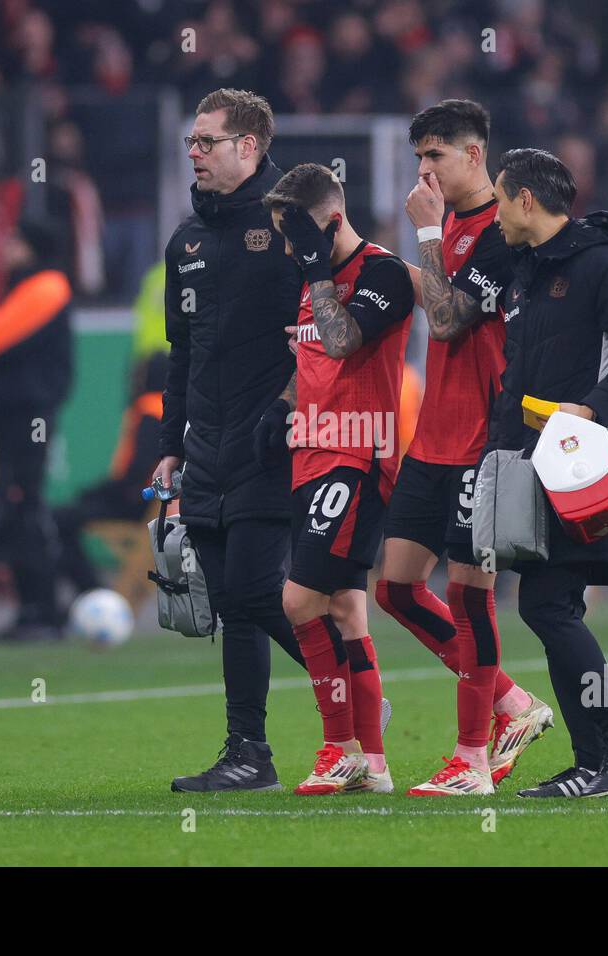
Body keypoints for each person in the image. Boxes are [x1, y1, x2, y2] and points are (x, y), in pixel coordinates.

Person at [488, 148, 608, 799]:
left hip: (594, 466)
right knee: (547, 605)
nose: (495, 213)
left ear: (525, 201)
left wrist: (592, 410)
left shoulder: (604, 264)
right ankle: (593, 757)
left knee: (547, 604)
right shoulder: (527, 276)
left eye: (499, 198)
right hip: (534, 468)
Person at [377, 100, 550, 798]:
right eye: (419, 157)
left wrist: (421, 233)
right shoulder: (446, 226)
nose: (425, 169)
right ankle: (512, 703)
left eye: (437, 156)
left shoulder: (505, 231)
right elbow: (438, 299)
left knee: (469, 595)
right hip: (435, 438)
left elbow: (447, 322)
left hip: (486, 438)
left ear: (474, 156)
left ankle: (471, 759)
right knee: (394, 588)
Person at [156, 89, 309, 793]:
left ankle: (266, 740)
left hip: (272, 442)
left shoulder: (296, 225)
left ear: (248, 148)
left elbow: (334, 332)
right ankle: (252, 754)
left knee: (251, 593)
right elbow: (180, 354)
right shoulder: (185, 241)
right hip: (206, 448)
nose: (194, 152)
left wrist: (295, 410)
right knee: (230, 604)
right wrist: (171, 447)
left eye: (207, 141)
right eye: (192, 141)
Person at [259, 162, 413, 795]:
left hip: (357, 453)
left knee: (297, 600)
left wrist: (320, 270)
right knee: (347, 609)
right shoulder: (308, 281)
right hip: (312, 454)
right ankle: (372, 764)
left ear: (327, 220)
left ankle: (339, 746)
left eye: (296, 235)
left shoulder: (384, 274)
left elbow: (344, 340)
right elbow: (315, 358)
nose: (291, 250)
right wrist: (283, 405)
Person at [0, 218, 75, 641]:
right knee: (17, 507)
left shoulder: (46, 285)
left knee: (24, 505)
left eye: (14, 240)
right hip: (14, 414)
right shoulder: (20, 286)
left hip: (27, 415)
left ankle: (43, 609)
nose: (5, 248)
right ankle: (34, 608)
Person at [53, 352, 167, 594]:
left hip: (137, 503)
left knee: (57, 520)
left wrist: (99, 492)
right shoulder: (170, 409)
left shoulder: (148, 410)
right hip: (157, 504)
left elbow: (137, 473)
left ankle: (91, 592)